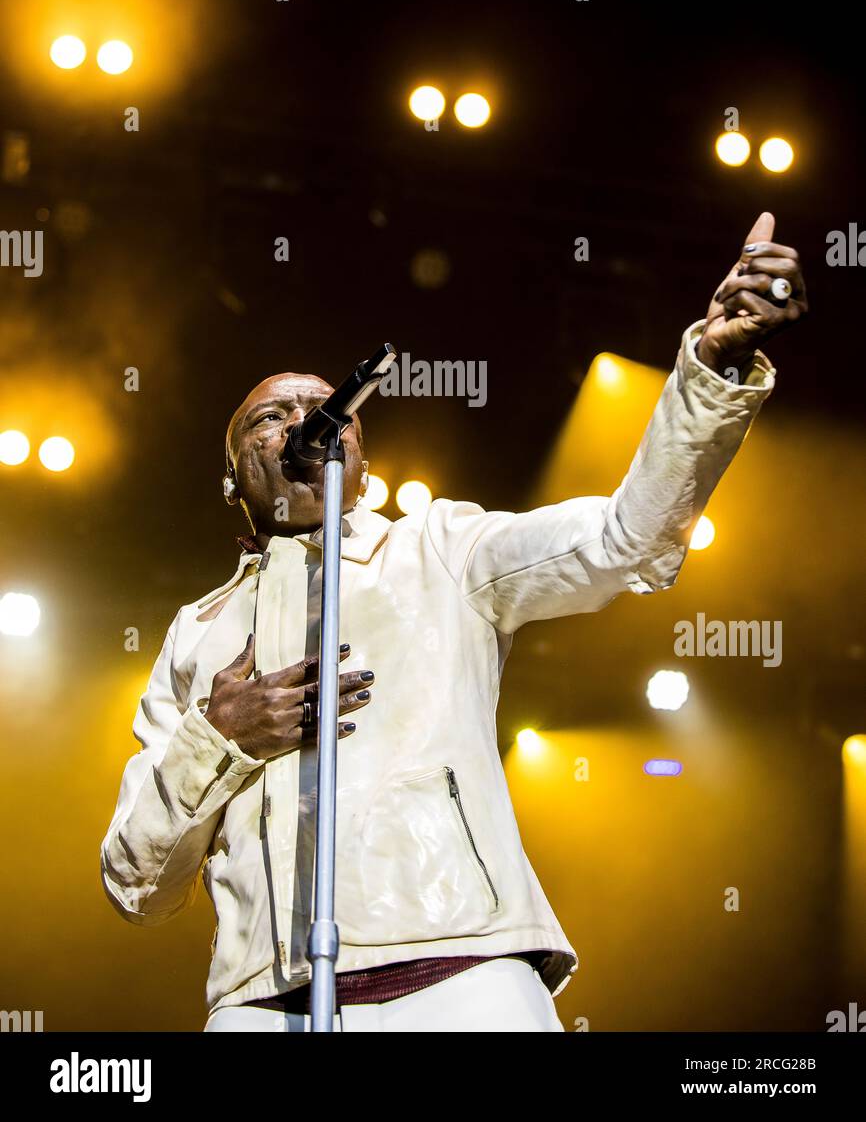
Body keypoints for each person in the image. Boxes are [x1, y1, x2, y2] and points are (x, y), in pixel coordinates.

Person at [100, 212, 807, 1032]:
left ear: (358, 460)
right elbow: (136, 888)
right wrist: (215, 740)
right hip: (264, 1003)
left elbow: (626, 540)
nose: (303, 422)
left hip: (459, 973)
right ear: (233, 480)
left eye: (326, 410)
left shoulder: (439, 549)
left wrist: (709, 369)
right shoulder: (197, 632)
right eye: (270, 416)